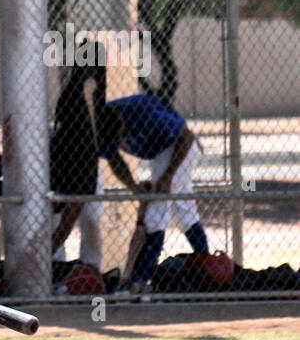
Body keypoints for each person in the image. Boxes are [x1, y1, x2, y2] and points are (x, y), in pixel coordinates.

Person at [97, 94, 209, 293]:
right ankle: (207, 264)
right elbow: (114, 158)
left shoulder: (144, 114)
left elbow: (186, 137)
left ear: (123, 122)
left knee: (155, 211)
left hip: (176, 148)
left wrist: (167, 176)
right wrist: (132, 185)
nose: (120, 141)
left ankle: (139, 280)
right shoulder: (102, 122)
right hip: (158, 153)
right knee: (183, 213)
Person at [49, 42, 106, 268]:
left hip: (89, 165)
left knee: (91, 220)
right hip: (67, 165)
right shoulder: (70, 95)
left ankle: (90, 269)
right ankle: (54, 265)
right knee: (57, 219)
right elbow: (62, 133)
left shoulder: (101, 94)